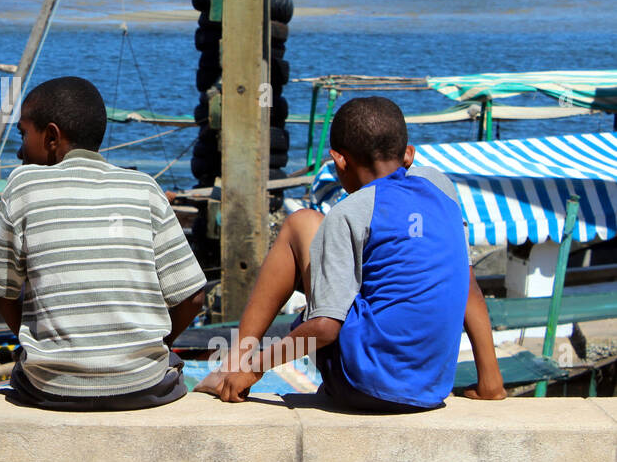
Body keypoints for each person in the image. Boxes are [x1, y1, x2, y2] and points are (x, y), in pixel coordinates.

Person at [197, 96, 506, 410]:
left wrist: (255, 369)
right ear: (408, 154)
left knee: (300, 224)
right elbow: (470, 290)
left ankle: (235, 363)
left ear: (338, 160)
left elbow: (324, 328)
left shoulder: (349, 213)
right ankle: (491, 380)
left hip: (363, 387)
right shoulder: (441, 187)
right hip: (430, 387)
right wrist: (490, 381)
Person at [0, 76, 207, 410]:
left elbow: (2, 291)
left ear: (53, 136)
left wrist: (40, 350)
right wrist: (155, 346)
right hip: (143, 389)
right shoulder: (144, 189)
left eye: (24, 134)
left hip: (51, 391)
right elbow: (193, 296)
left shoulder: (23, 186)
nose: (19, 149)